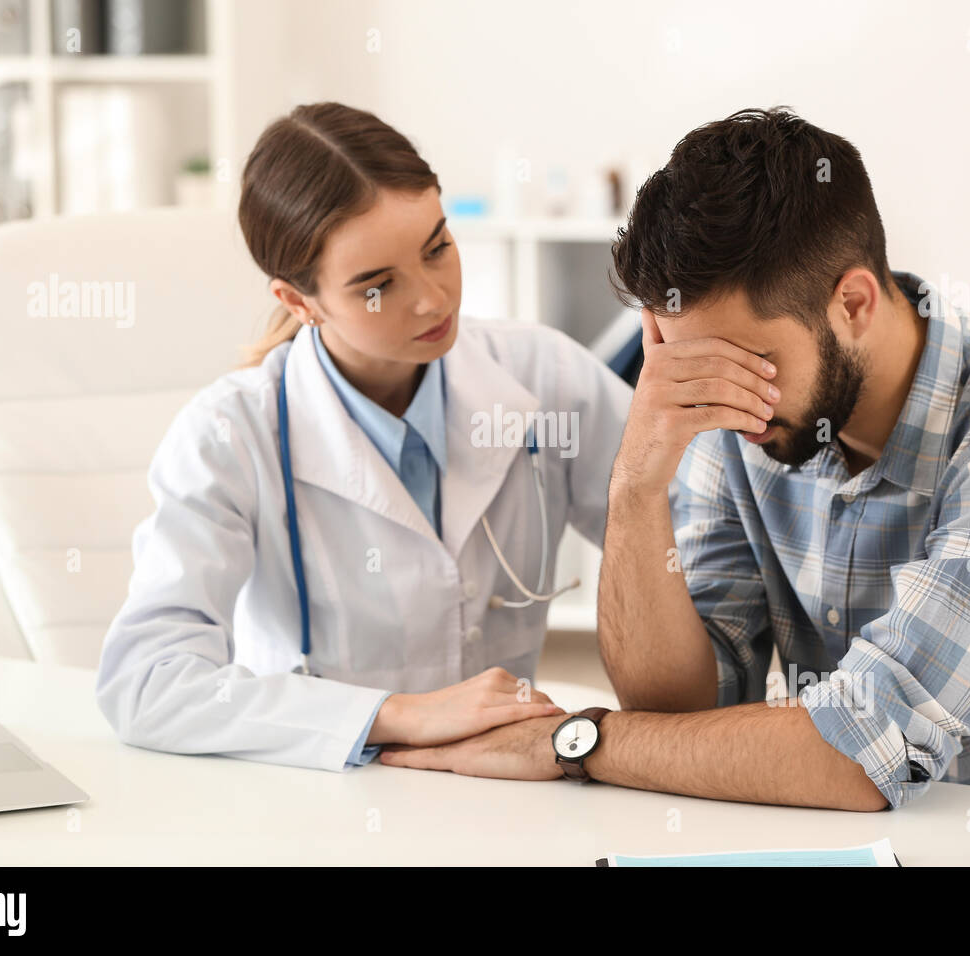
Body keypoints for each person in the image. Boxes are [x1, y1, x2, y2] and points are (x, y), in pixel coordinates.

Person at [382, 107, 970, 812]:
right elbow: (681, 711)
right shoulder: (741, 420)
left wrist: (574, 743)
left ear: (854, 304)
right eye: (688, 366)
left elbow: (867, 754)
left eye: (745, 361)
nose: (722, 399)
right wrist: (638, 480)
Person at [96, 102, 632, 772]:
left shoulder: (545, 377)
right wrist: (398, 714)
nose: (433, 299)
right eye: (378, 287)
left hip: (506, 791)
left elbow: (696, 545)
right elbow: (145, 684)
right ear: (300, 302)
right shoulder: (231, 436)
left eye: (438, 247)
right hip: (324, 804)